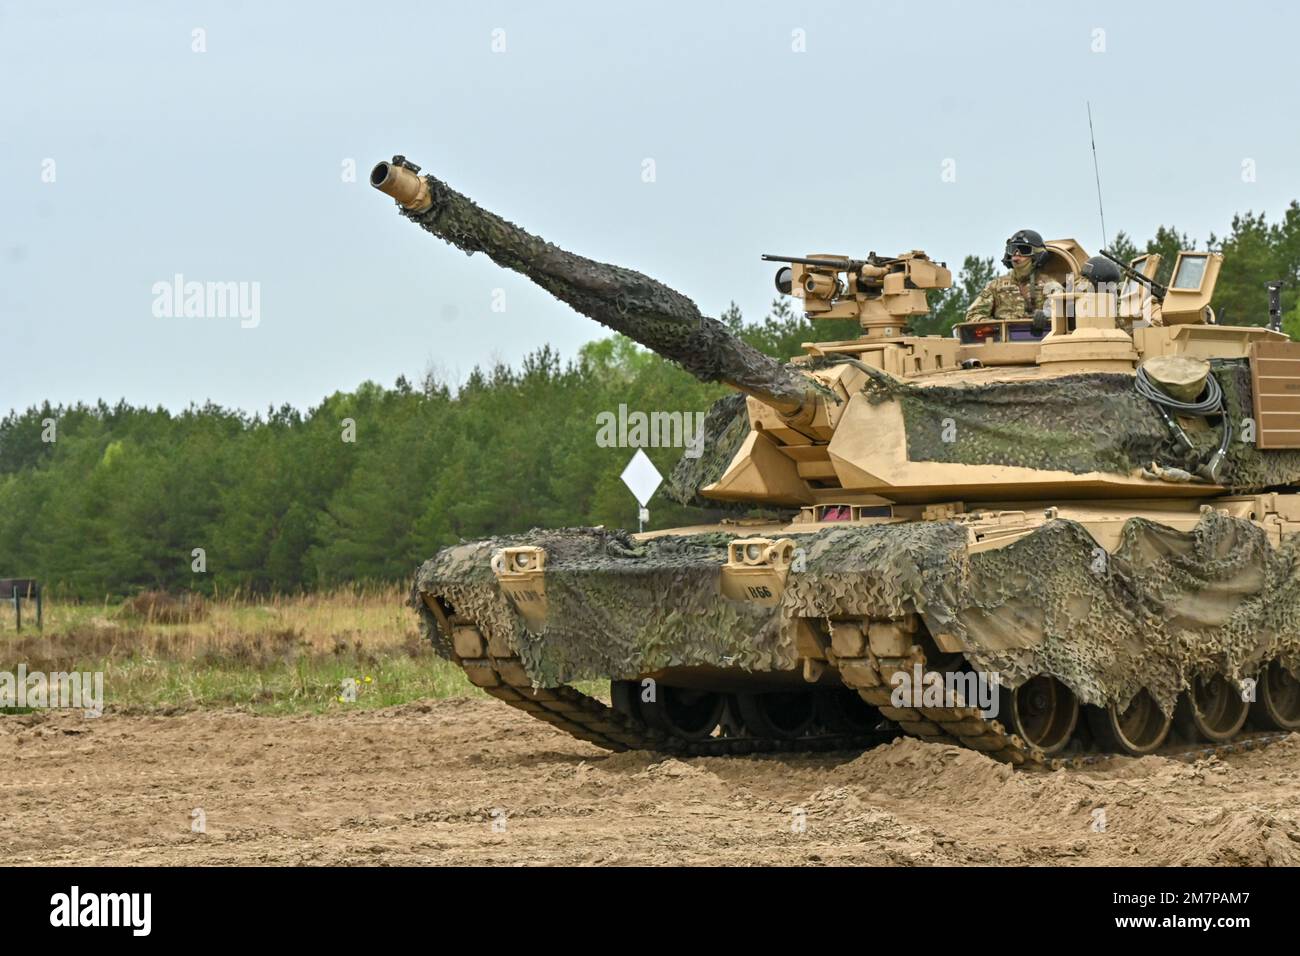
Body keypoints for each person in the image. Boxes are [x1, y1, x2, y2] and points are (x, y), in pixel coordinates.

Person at [965, 229, 1063, 323]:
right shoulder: (996, 286)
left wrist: (1045, 315)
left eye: (1024, 250)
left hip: (1041, 338)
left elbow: (1061, 313)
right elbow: (973, 315)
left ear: (1037, 255)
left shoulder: (1051, 286)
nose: (1016, 254)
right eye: (1012, 250)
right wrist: (996, 327)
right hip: (1002, 339)